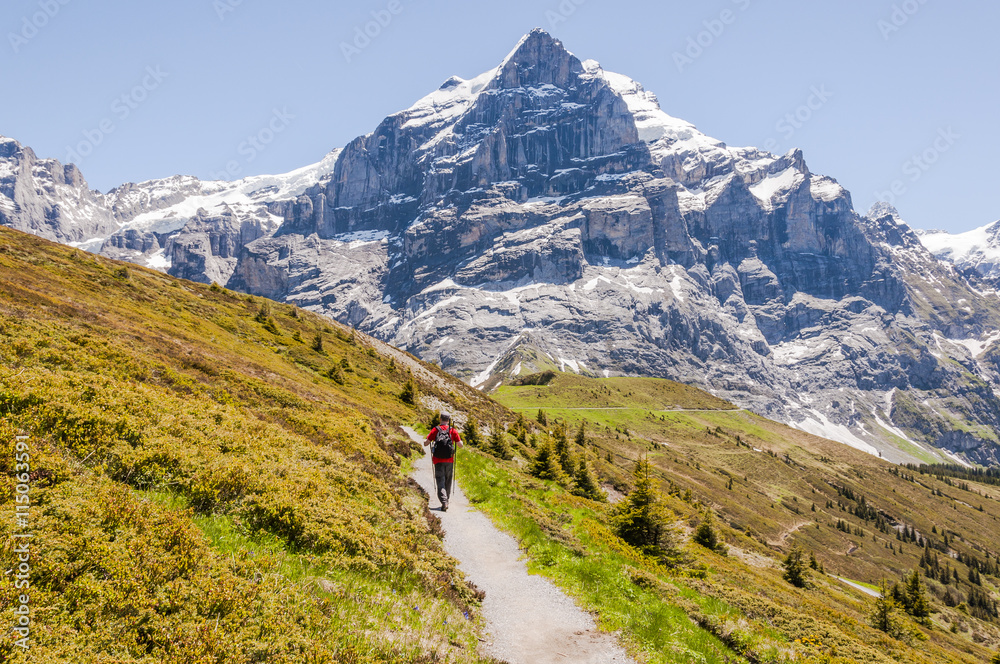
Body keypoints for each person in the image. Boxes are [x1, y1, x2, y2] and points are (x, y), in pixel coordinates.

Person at [424, 413, 462, 511]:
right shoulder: (452, 430)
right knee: (448, 481)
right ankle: (446, 500)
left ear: (440, 419)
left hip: (437, 460)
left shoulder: (435, 430)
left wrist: (428, 441)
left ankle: (444, 502)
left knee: (440, 480)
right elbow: (460, 445)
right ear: (448, 420)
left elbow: (426, 443)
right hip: (449, 460)